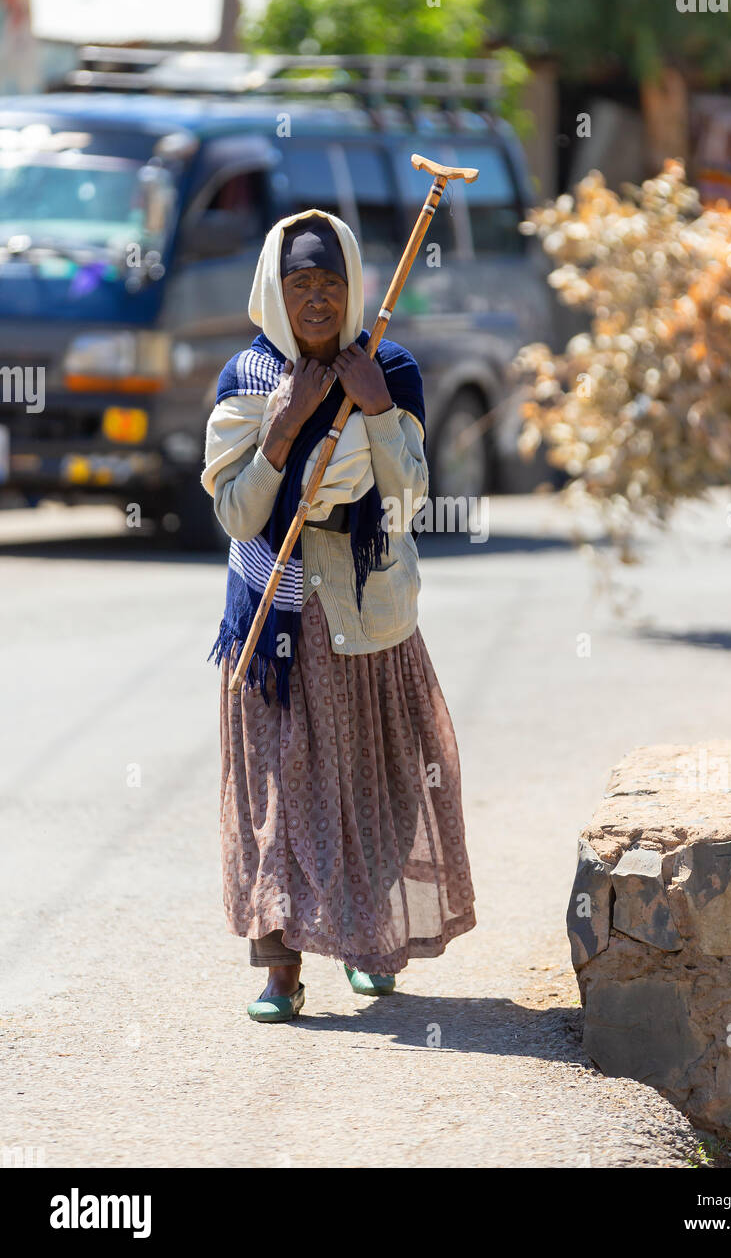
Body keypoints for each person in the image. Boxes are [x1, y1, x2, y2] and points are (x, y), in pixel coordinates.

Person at [201, 209, 476, 1022]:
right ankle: (280, 969)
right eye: (299, 282)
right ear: (272, 291)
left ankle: (369, 944)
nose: (315, 299)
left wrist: (377, 411)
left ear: (355, 287)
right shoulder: (247, 380)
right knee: (277, 800)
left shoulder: (389, 369)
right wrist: (285, 425)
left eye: (329, 282)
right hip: (273, 615)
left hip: (367, 613)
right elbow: (236, 515)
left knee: (381, 786)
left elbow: (409, 499)